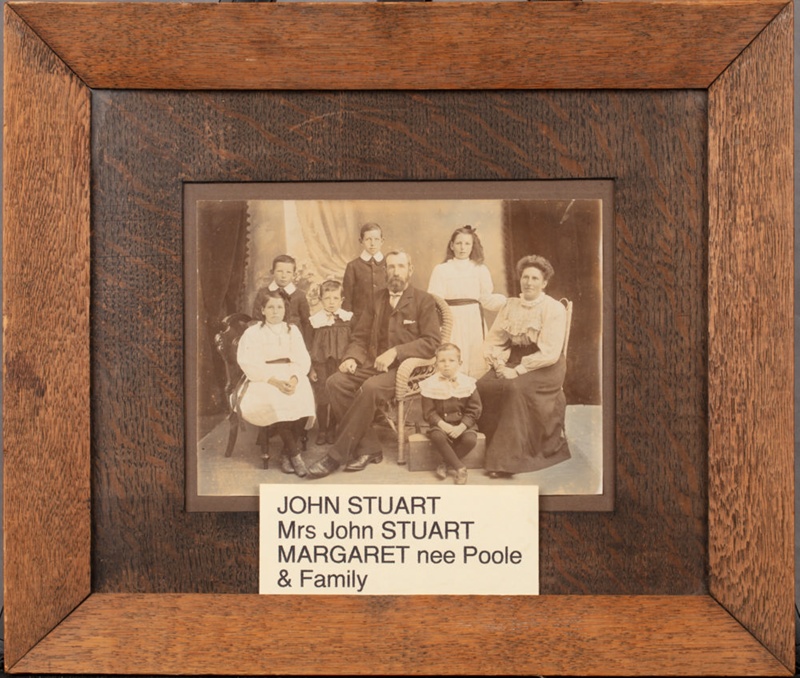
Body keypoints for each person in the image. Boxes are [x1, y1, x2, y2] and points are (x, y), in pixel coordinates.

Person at [306, 250, 441, 479]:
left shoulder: (423, 300)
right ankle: (369, 448)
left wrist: (396, 352)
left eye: (400, 266)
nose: (395, 271)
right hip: (372, 363)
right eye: (390, 267)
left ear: (410, 270)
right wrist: (351, 358)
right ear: (385, 270)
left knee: (370, 388)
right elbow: (359, 336)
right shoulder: (376, 299)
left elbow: (432, 342)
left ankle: (336, 455)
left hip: (406, 368)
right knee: (335, 382)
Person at [476, 255, 570, 477]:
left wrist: (517, 370)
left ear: (544, 283)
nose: (529, 282)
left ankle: (506, 462)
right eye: (525, 277)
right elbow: (494, 338)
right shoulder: (510, 305)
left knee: (514, 388)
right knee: (483, 385)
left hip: (545, 367)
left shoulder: (553, 308)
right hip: (511, 359)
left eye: (535, 278)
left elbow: (549, 353)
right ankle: (487, 450)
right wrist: (497, 361)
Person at [235, 288, 315, 477]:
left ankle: (286, 454)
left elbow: (302, 358)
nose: (275, 311)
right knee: (278, 399)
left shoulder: (292, 330)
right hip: (263, 377)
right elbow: (248, 361)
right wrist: (274, 381)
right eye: (270, 307)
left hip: (290, 372)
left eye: (279, 307)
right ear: (262, 310)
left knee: (303, 393)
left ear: (285, 310)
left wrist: (295, 379)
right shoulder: (253, 332)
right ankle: (295, 455)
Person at [427, 225, 506, 378]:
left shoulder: (480, 269)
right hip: (451, 320)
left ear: (472, 246)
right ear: (451, 245)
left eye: (467, 244)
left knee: (476, 360)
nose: (462, 248)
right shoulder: (441, 270)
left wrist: (508, 302)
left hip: (474, 321)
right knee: (451, 360)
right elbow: (434, 300)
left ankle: (474, 399)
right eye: (458, 243)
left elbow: (486, 299)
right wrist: (442, 324)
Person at [419, 343, 482, 485]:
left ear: (460, 363)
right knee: (437, 436)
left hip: (463, 424)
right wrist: (443, 425)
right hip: (441, 424)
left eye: (451, 361)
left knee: (470, 440)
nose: (446, 365)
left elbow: (474, 409)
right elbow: (428, 412)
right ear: (436, 364)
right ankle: (460, 468)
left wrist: (462, 426)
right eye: (442, 361)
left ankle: (445, 464)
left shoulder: (468, 383)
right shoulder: (429, 384)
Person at [308, 279, 353, 445]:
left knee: (335, 395)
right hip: (321, 364)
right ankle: (322, 430)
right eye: (327, 298)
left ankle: (332, 429)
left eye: (335, 298)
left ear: (341, 300)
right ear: (320, 300)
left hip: (339, 363)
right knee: (322, 397)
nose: (331, 302)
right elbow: (309, 345)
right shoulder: (315, 321)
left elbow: (353, 343)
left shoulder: (347, 319)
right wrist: (311, 368)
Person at [342, 223, 387, 328]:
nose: (372, 243)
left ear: (382, 241)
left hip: (384, 319)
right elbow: (347, 299)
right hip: (360, 321)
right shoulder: (353, 266)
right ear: (361, 241)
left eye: (376, 239)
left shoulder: (388, 263)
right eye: (368, 239)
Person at [267, 254, 312, 345]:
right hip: (270, 338)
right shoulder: (264, 293)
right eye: (279, 271)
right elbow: (257, 320)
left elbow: (306, 322)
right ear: (272, 272)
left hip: (293, 339)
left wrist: (307, 346)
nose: (284, 276)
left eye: (288, 272)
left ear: (294, 274)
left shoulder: (300, 295)